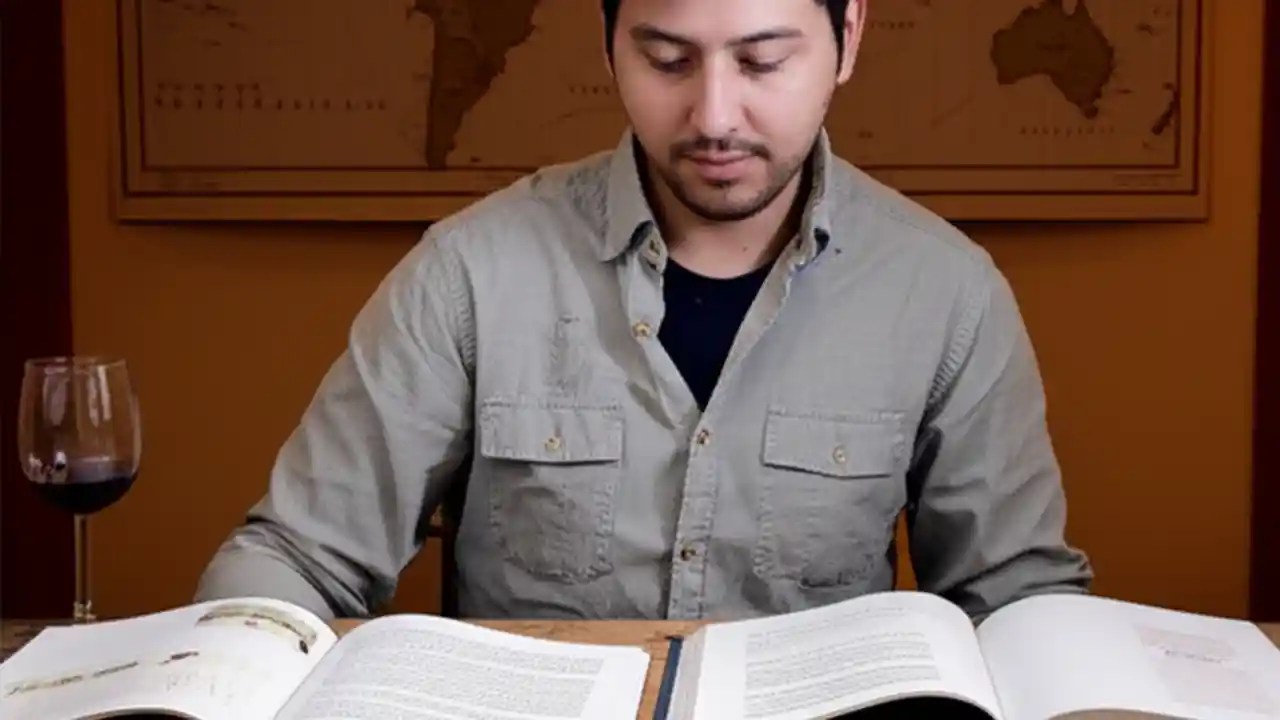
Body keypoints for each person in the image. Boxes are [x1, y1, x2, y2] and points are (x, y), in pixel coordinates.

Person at [196, 0, 1092, 623]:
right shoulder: (469, 272)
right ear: (608, 42)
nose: (713, 116)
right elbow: (300, 557)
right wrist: (227, 663)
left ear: (847, 37)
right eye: (666, 60)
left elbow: (1014, 600)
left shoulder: (947, 294)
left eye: (762, 60)